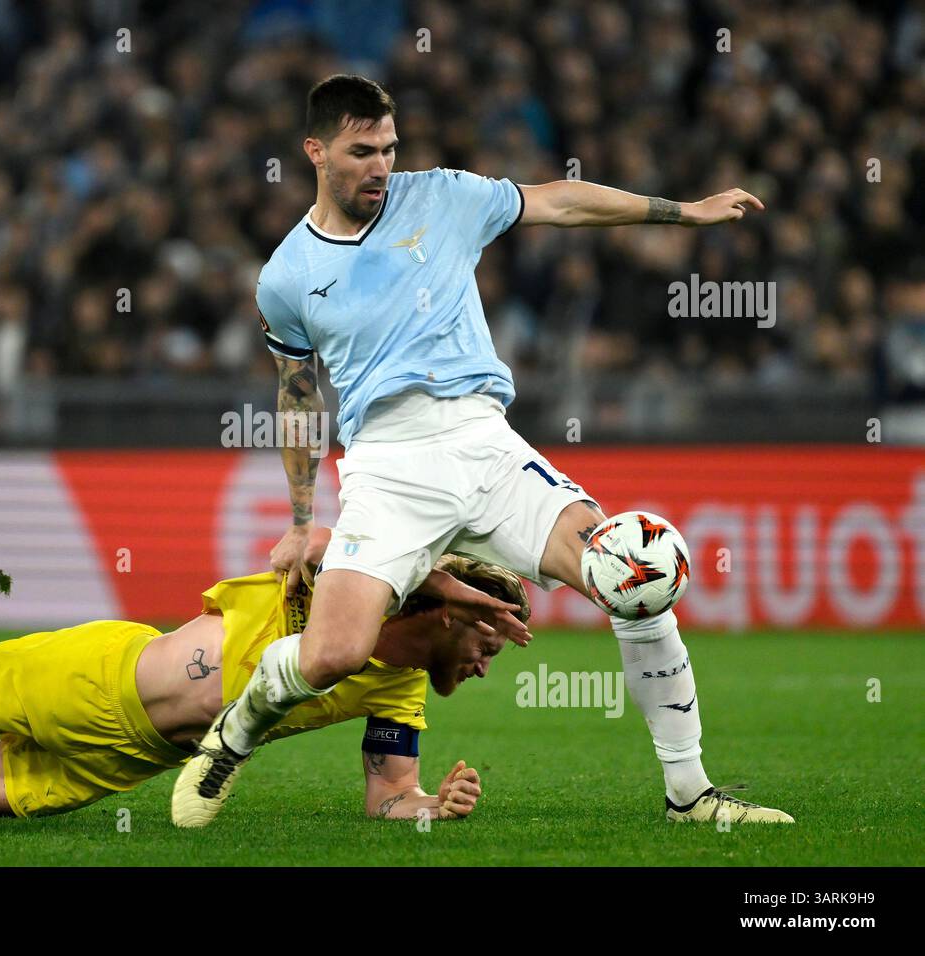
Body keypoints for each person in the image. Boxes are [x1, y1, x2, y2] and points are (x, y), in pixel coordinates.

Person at [171, 73, 793, 827]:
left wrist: (681, 212)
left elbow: (557, 200)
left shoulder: (443, 197)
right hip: (387, 468)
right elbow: (298, 398)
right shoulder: (286, 276)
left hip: (483, 442)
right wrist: (304, 519)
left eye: (390, 149)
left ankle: (688, 794)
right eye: (362, 150)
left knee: (631, 574)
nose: (381, 166)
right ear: (315, 150)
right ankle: (232, 738)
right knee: (330, 654)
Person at [0, 531, 526, 821]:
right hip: (92, 678)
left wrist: (427, 811)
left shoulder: (398, 690)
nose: (492, 662)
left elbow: (388, 800)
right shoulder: (342, 596)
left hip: (131, 758)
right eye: (494, 636)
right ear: (456, 609)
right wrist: (437, 573)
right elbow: (304, 546)